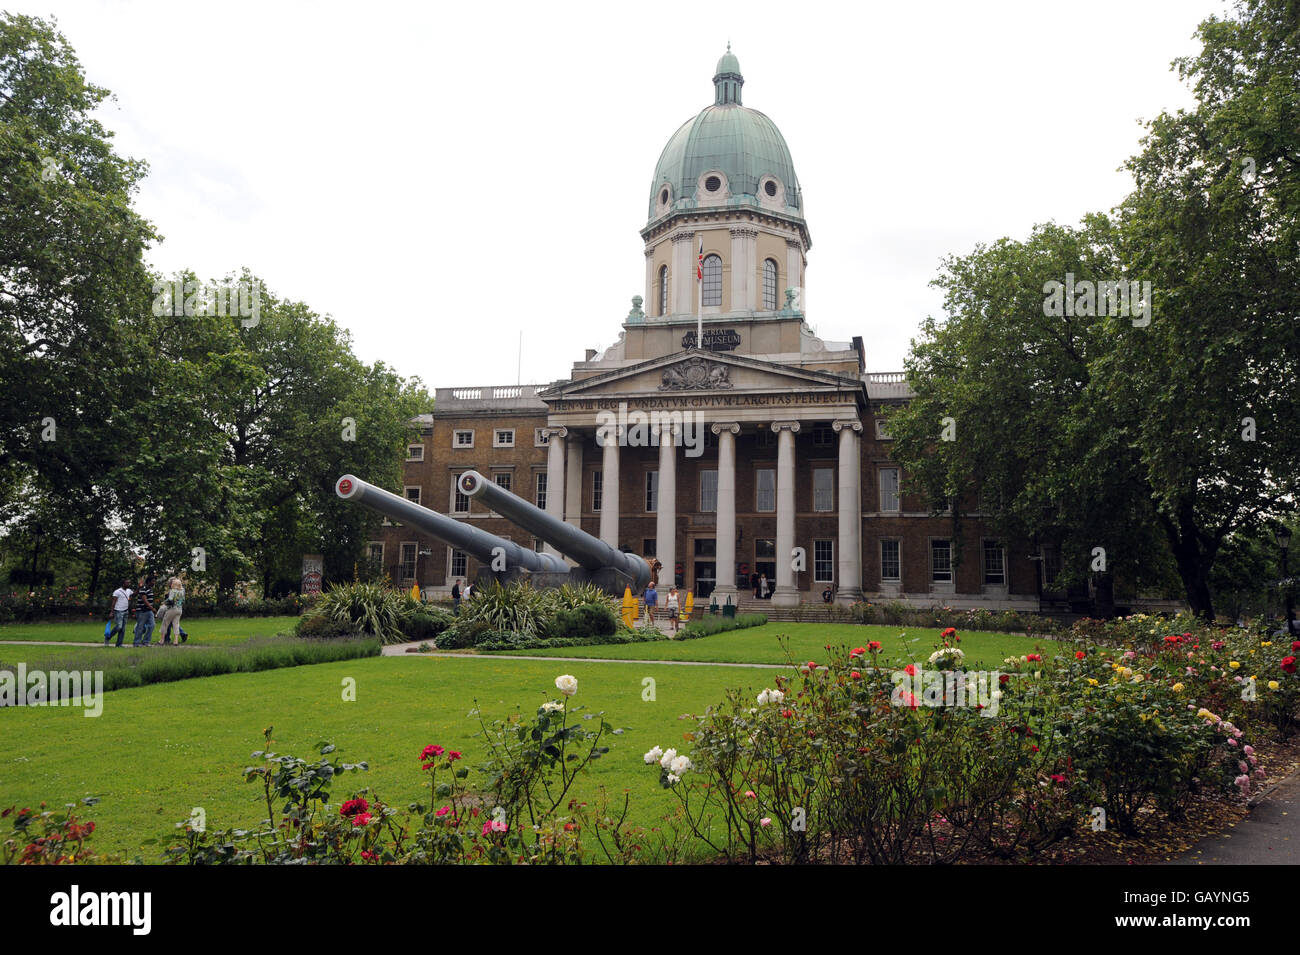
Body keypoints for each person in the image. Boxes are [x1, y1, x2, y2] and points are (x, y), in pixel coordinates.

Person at [158, 576, 186, 644]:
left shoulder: (172, 590)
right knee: (176, 625)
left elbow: (170, 600)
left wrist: (164, 602)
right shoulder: (182, 591)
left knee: (165, 623)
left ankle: (161, 641)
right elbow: (183, 600)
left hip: (172, 609)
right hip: (179, 610)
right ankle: (175, 641)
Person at [132, 574, 157, 647]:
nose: (154, 583)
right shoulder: (143, 588)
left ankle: (146, 641)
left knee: (152, 625)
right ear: (149, 581)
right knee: (140, 626)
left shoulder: (150, 589)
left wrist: (151, 609)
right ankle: (136, 643)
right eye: (153, 581)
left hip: (149, 611)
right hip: (142, 611)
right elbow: (144, 600)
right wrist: (152, 608)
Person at [106, 578, 133, 647]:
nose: (129, 584)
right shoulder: (117, 591)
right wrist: (111, 612)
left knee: (123, 629)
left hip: (126, 611)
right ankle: (108, 637)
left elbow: (134, 594)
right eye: (127, 583)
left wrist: (139, 587)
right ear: (123, 584)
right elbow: (113, 602)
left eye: (129, 583)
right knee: (119, 627)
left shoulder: (129, 591)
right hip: (118, 611)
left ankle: (119, 644)